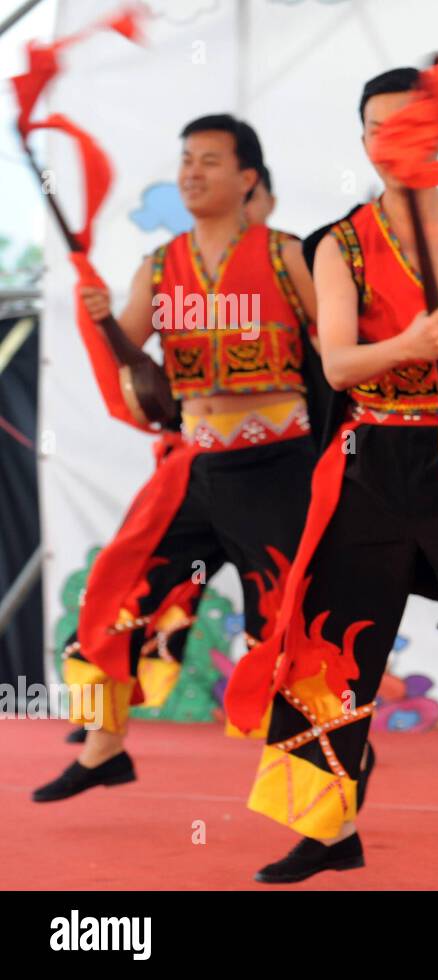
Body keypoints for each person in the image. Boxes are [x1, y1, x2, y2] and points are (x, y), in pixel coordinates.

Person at [224, 68, 438, 889]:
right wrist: (410, 346)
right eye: (377, 127)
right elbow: (338, 364)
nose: (393, 141)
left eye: (409, 124)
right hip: (374, 461)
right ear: (364, 140)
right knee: (332, 642)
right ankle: (326, 825)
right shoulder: (339, 243)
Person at [34, 115, 318, 802]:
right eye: (186, 159)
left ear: (248, 178)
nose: (193, 171)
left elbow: (333, 354)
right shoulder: (159, 266)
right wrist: (99, 317)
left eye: (210, 161)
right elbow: (127, 361)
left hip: (278, 468)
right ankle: (104, 748)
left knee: (288, 628)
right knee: (118, 589)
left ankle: (318, 794)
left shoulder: (288, 257)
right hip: (196, 467)